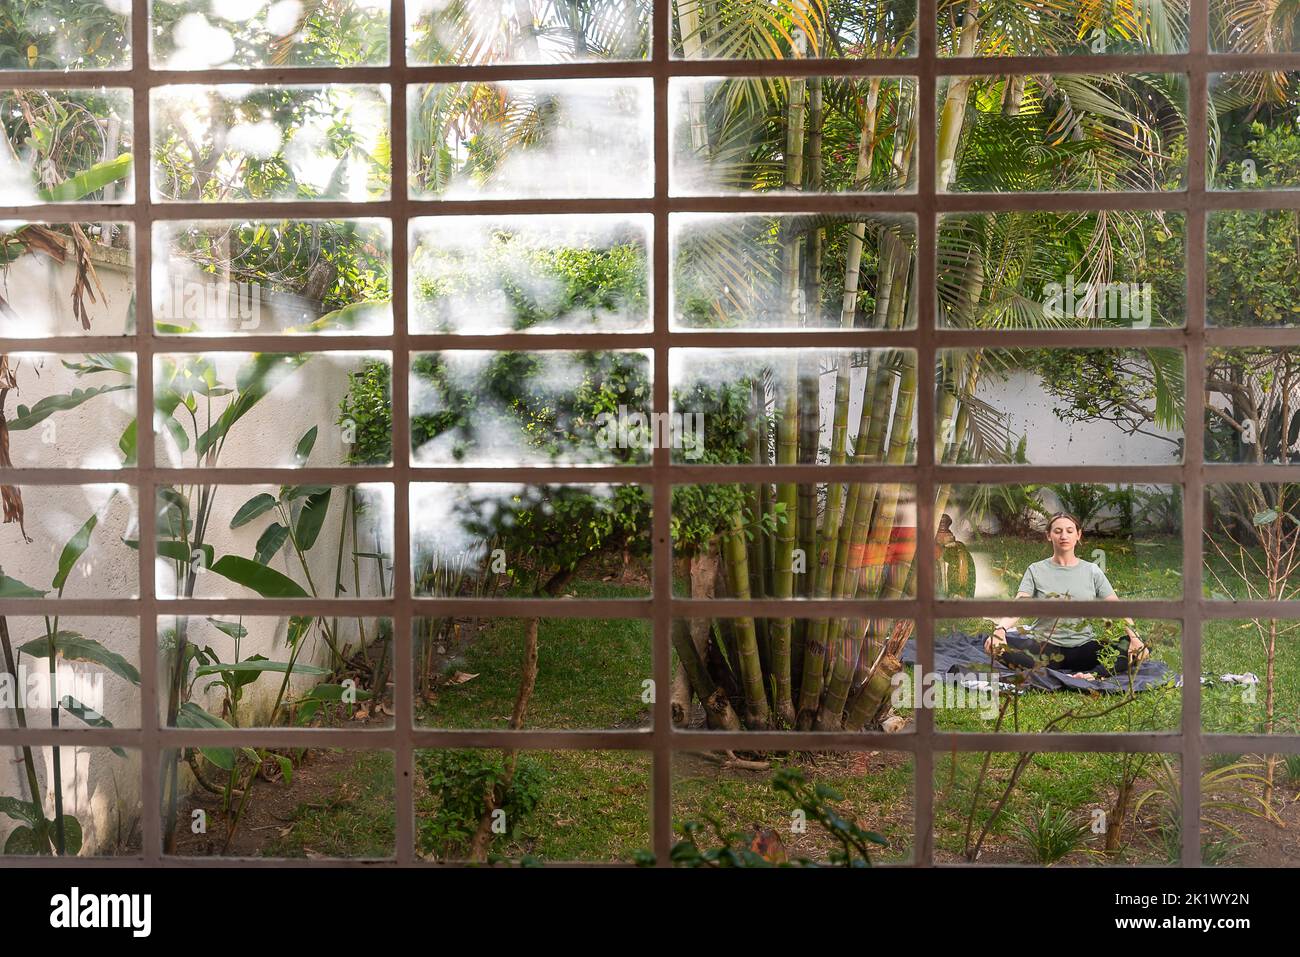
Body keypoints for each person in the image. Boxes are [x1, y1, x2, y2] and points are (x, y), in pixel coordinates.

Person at [983, 511, 1149, 679]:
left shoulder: (1092, 571)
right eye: (1058, 531)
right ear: (1049, 535)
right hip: (1043, 650)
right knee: (996, 644)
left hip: (1083, 649)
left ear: (1078, 535)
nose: (1064, 536)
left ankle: (1092, 675)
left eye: (1070, 531)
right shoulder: (1035, 569)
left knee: (1134, 645)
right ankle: (1075, 674)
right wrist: (1000, 630)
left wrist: (1135, 638)